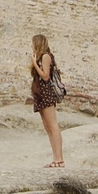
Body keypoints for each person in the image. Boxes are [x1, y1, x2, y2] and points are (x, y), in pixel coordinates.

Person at [30, 35, 64, 168]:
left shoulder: (45, 56)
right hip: (40, 94)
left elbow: (45, 76)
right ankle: (55, 158)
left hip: (46, 93)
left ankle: (59, 159)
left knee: (53, 125)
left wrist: (34, 63)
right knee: (48, 127)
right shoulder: (40, 57)